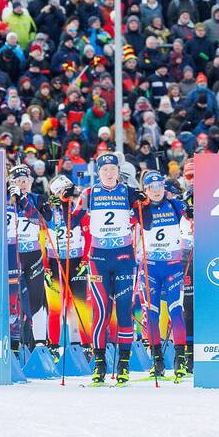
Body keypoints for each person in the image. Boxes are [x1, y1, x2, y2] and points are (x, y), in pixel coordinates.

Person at [80, 153, 144, 386]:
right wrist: (63, 199)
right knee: (101, 312)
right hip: (98, 258)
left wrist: (142, 202)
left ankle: (123, 365)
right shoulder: (89, 194)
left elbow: (146, 217)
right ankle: (99, 365)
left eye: (112, 169)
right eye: (104, 170)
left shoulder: (127, 192)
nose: (109, 173)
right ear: (98, 173)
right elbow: (72, 217)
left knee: (125, 310)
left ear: (119, 171)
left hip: (124, 256)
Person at [141, 172, 191, 380]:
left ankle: (180, 359)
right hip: (151, 268)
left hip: (172, 267)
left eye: (159, 186)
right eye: (151, 187)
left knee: (175, 311)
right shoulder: (140, 207)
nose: (156, 190)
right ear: (145, 189)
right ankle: (157, 360)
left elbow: (191, 216)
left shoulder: (175, 205)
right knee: (152, 314)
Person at [44, 175, 91, 361]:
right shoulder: (49, 211)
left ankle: (86, 345)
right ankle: (54, 346)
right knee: (56, 307)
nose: (69, 196)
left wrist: (85, 260)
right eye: (64, 191)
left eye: (70, 191)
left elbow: (88, 237)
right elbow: (42, 238)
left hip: (76, 261)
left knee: (80, 305)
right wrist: (46, 267)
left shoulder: (79, 210)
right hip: (55, 263)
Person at [6, 165, 52, 350]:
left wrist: (24, 199)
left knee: (37, 300)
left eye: (25, 181)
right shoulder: (4, 201)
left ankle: (40, 345)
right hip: (12, 255)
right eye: (17, 181)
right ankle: (14, 344)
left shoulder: (37, 198)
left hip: (33, 256)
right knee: (13, 301)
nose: (22, 184)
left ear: (31, 182)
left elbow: (41, 219)